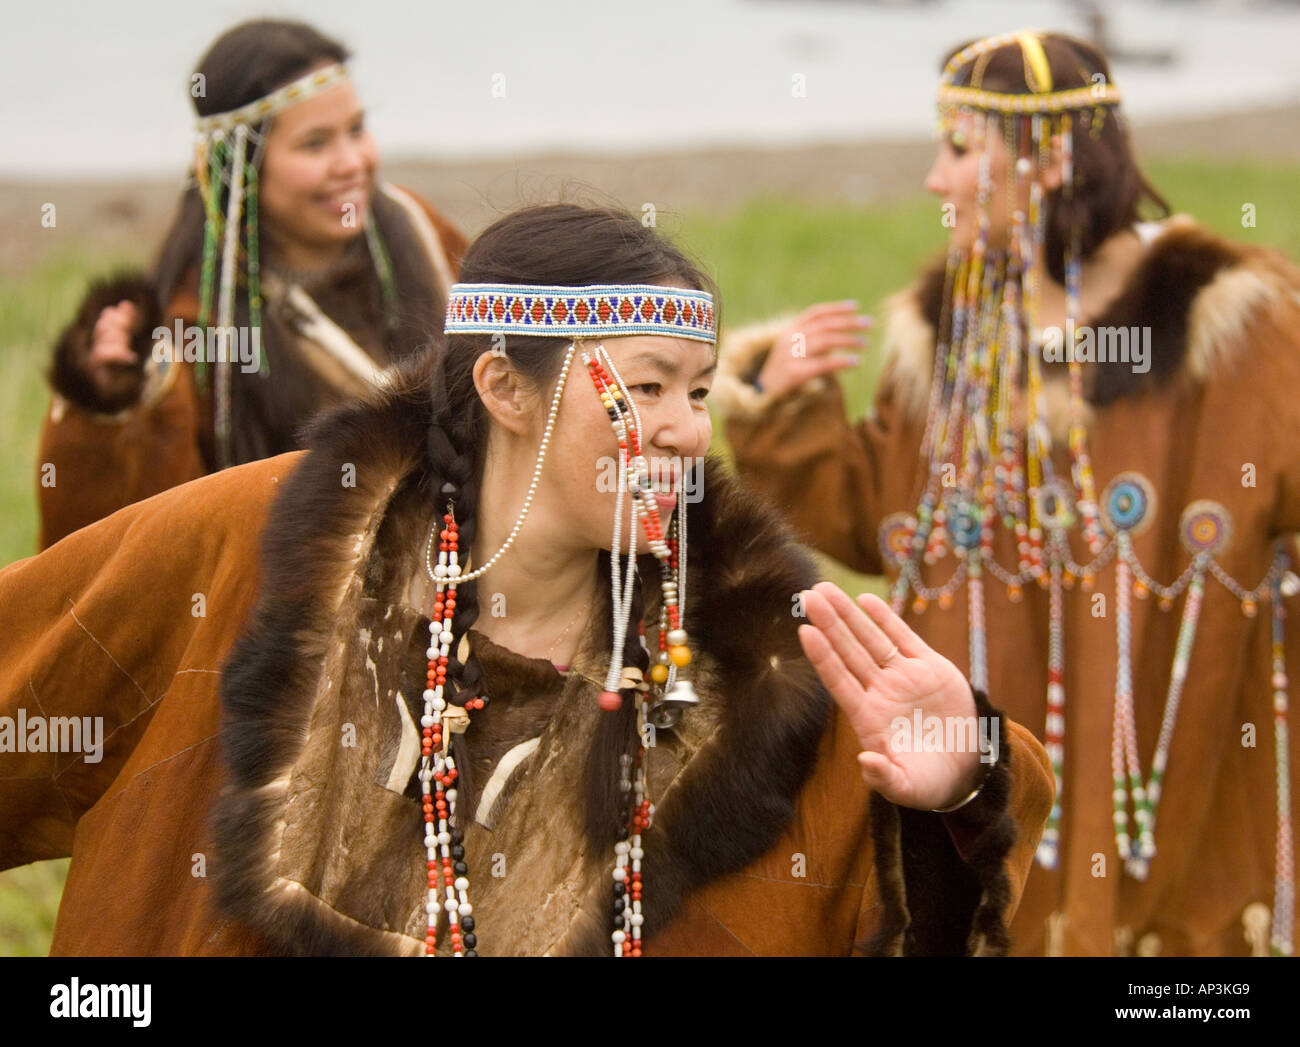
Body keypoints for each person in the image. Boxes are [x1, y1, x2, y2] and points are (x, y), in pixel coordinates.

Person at [0, 203, 1053, 956]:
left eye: (698, 391)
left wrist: (962, 788)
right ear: (505, 386)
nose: (690, 429)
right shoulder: (260, 542)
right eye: (645, 388)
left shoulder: (761, 678)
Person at [713, 30, 1300, 956]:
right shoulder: (951, 332)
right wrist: (778, 397)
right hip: (987, 747)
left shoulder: (1236, 324)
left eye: (959, 150)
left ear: (1052, 157)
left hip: (1174, 756)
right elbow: (877, 517)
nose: (934, 182)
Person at [37, 18, 467, 550]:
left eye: (357, 129)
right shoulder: (195, 326)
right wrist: (108, 412)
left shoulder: (416, 226)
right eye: (315, 144)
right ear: (239, 168)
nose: (352, 162)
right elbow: (129, 550)